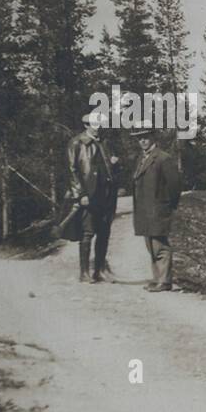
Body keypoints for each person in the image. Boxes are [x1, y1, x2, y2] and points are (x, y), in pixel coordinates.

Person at [66, 111, 121, 283]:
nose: (97, 127)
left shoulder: (105, 142)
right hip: (89, 195)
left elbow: (112, 166)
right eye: (94, 124)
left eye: (99, 124)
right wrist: (80, 193)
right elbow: (72, 170)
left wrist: (115, 165)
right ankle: (84, 272)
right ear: (86, 125)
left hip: (107, 195)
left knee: (104, 232)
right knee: (88, 232)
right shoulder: (77, 143)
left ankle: (100, 270)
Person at [131, 123, 182, 291]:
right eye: (139, 138)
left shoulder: (163, 158)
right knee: (151, 245)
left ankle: (165, 281)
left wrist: (168, 205)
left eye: (145, 136)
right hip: (145, 210)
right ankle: (157, 278)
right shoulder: (142, 158)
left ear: (153, 137)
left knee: (160, 245)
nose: (143, 140)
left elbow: (174, 185)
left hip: (159, 209)